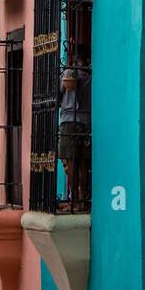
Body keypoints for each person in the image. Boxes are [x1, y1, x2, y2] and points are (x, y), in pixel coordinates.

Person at [58, 63, 91, 212]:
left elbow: (58, 95)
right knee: (83, 162)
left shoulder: (69, 72)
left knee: (71, 162)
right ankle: (83, 199)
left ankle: (74, 199)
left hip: (69, 121)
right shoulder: (91, 76)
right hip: (85, 122)